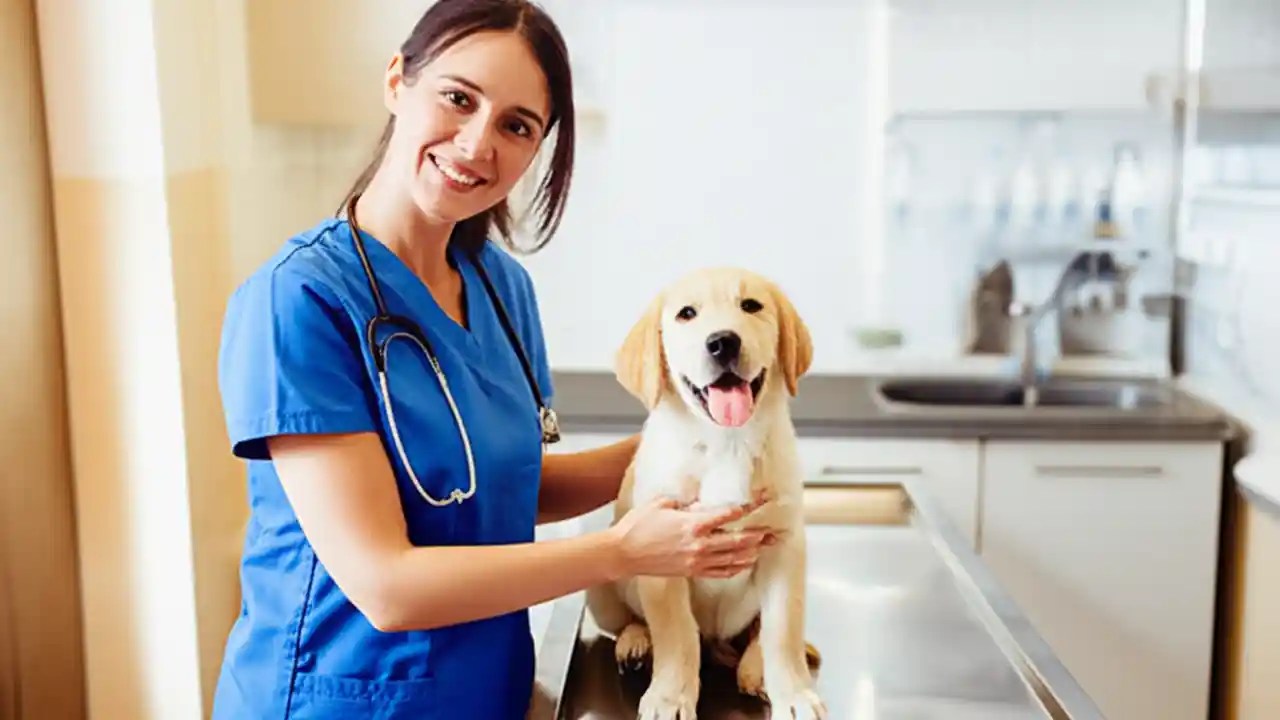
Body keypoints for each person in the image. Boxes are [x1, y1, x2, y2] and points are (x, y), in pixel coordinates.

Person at [211, 1, 773, 717]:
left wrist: (697, 444)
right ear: (396, 82)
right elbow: (386, 586)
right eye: (457, 98)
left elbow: (501, 489)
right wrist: (622, 552)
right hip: (347, 697)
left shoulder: (502, 289)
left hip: (488, 691)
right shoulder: (299, 301)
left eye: (516, 125)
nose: (478, 145)